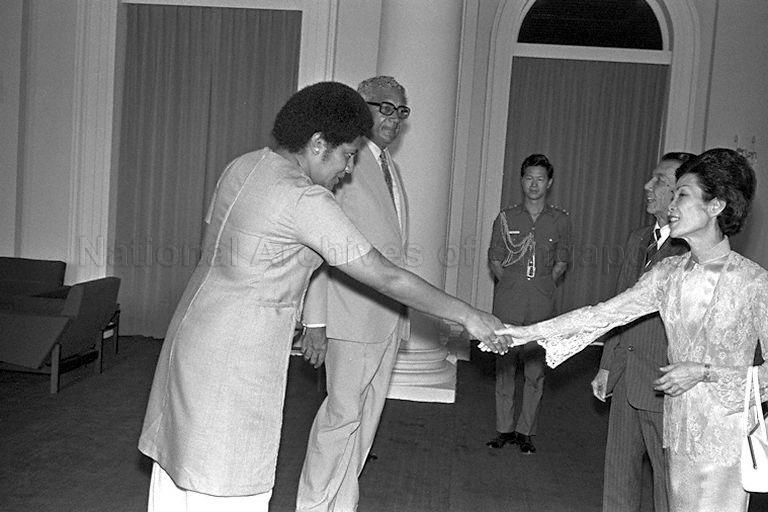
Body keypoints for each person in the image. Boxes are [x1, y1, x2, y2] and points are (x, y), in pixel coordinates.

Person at [137, 81, 508, 512]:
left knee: (179, 486)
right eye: (348, 154)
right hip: (235, 360)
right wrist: (469, 315)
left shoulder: (243, 166)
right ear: (317, 144)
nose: (349, 169)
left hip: (191, 339)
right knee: (224, 489)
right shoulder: (304, 199)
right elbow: (384, 277)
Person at [499, 148, 766, 511]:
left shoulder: (754, 283)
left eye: (682, 195)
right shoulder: (667, 275)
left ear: (716, 205)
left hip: (724, 444)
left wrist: (705, 373)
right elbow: (600, 316)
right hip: (679, 434)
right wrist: (517, 334)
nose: (672, 203)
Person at [295, 75, 412, 512]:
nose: (394, 119)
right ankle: (311, 506)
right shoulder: (345, 163)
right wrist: (317, 321)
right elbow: (320, 245)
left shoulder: (390, 168)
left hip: (386, 318)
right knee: (339, 420)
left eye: (401, 111)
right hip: (349, 316)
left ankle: (340, 505)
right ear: (360, 108)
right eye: (385, 108)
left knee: (364, 423)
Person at [590, 152, 694, 512]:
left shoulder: (691, 251)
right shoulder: (638, 239)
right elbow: (620, 308)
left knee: (669, 488)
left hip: (666, 387)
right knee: (618, 479)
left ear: (683, 193)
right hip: (627, 378)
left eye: (660, 181)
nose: (648, 187)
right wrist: (607, 366)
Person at [485, 154, 571, 454]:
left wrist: (542, 285)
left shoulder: (560, 220)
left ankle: (526, 431)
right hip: (509, 301)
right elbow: (495, 258)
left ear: (549, 183)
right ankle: (504, 429)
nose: (533, 184)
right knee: (505, 367)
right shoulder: (506, 218)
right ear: (522, 181)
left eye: (540, 179)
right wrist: (511, 282)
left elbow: (561, 261)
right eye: (528, 178)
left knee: (535, 370)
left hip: (541, 304)